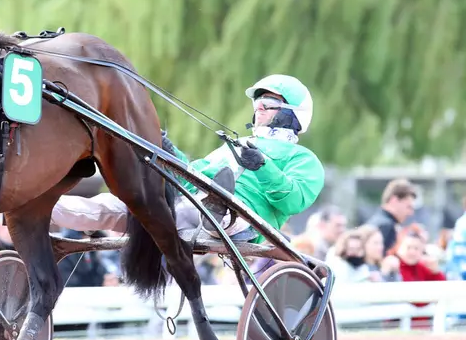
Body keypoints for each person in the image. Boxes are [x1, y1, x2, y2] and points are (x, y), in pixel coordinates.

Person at [51, 74, 325, 243]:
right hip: (190, 205)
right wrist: (168, 151)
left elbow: (294, 200)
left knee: (221, 207)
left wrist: (263, 167)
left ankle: (219, 210)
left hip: (247, 222)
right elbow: (194, 177)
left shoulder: (304, 159)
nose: (260, 108)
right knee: (112, 206)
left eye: (269, 104)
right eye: (258, 103)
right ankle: (41, 205)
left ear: (292, 113)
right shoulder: (237, 144)